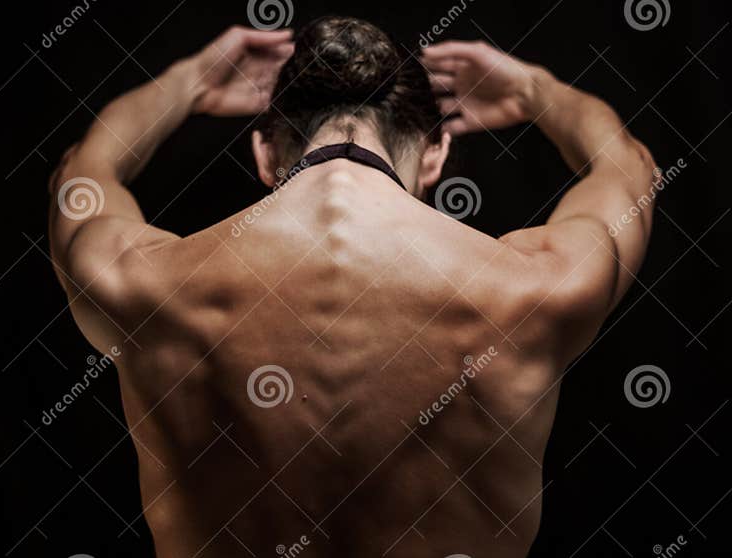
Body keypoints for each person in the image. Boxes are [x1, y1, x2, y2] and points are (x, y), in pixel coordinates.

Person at [48, 16, 657, 558]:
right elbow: (630, 170)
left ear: (264, 153)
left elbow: (78, 172)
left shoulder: (139, 279)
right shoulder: (539, 286)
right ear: (438, 153)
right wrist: (534, 88)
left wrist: (189, 82)